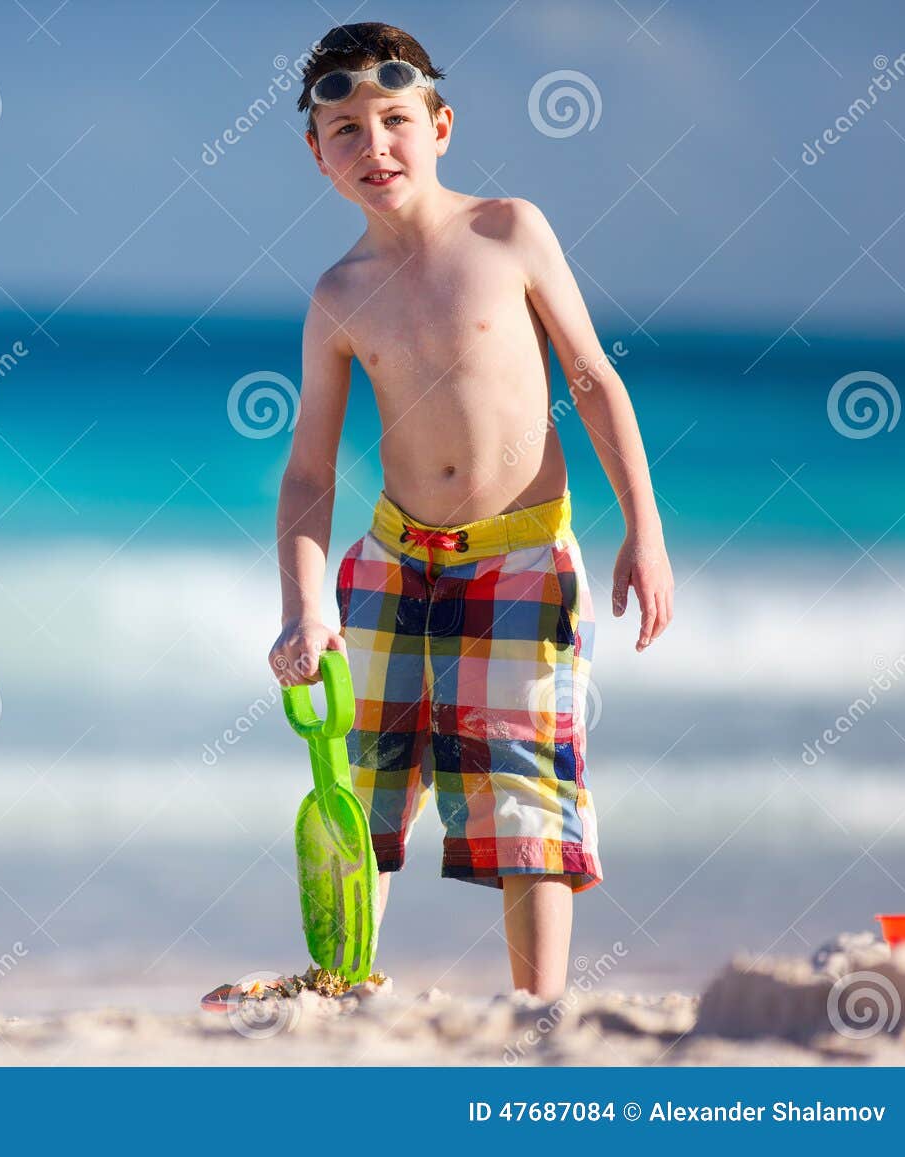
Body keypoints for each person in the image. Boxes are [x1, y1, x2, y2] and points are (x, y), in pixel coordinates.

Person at [268, 22, 674, 1002]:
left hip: (521, 558)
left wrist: (644, 528)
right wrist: (304, 605)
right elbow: (309, 472)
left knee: (525, 795)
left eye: (396, 120)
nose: (375, 146)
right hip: (393, 560)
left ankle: (539, 1010)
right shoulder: (339, 294)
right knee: (361, 791)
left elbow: (591, 379)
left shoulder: (508, 232)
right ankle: (346, 984)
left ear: (440, 126)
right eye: (346, 130)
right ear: (316, 154)